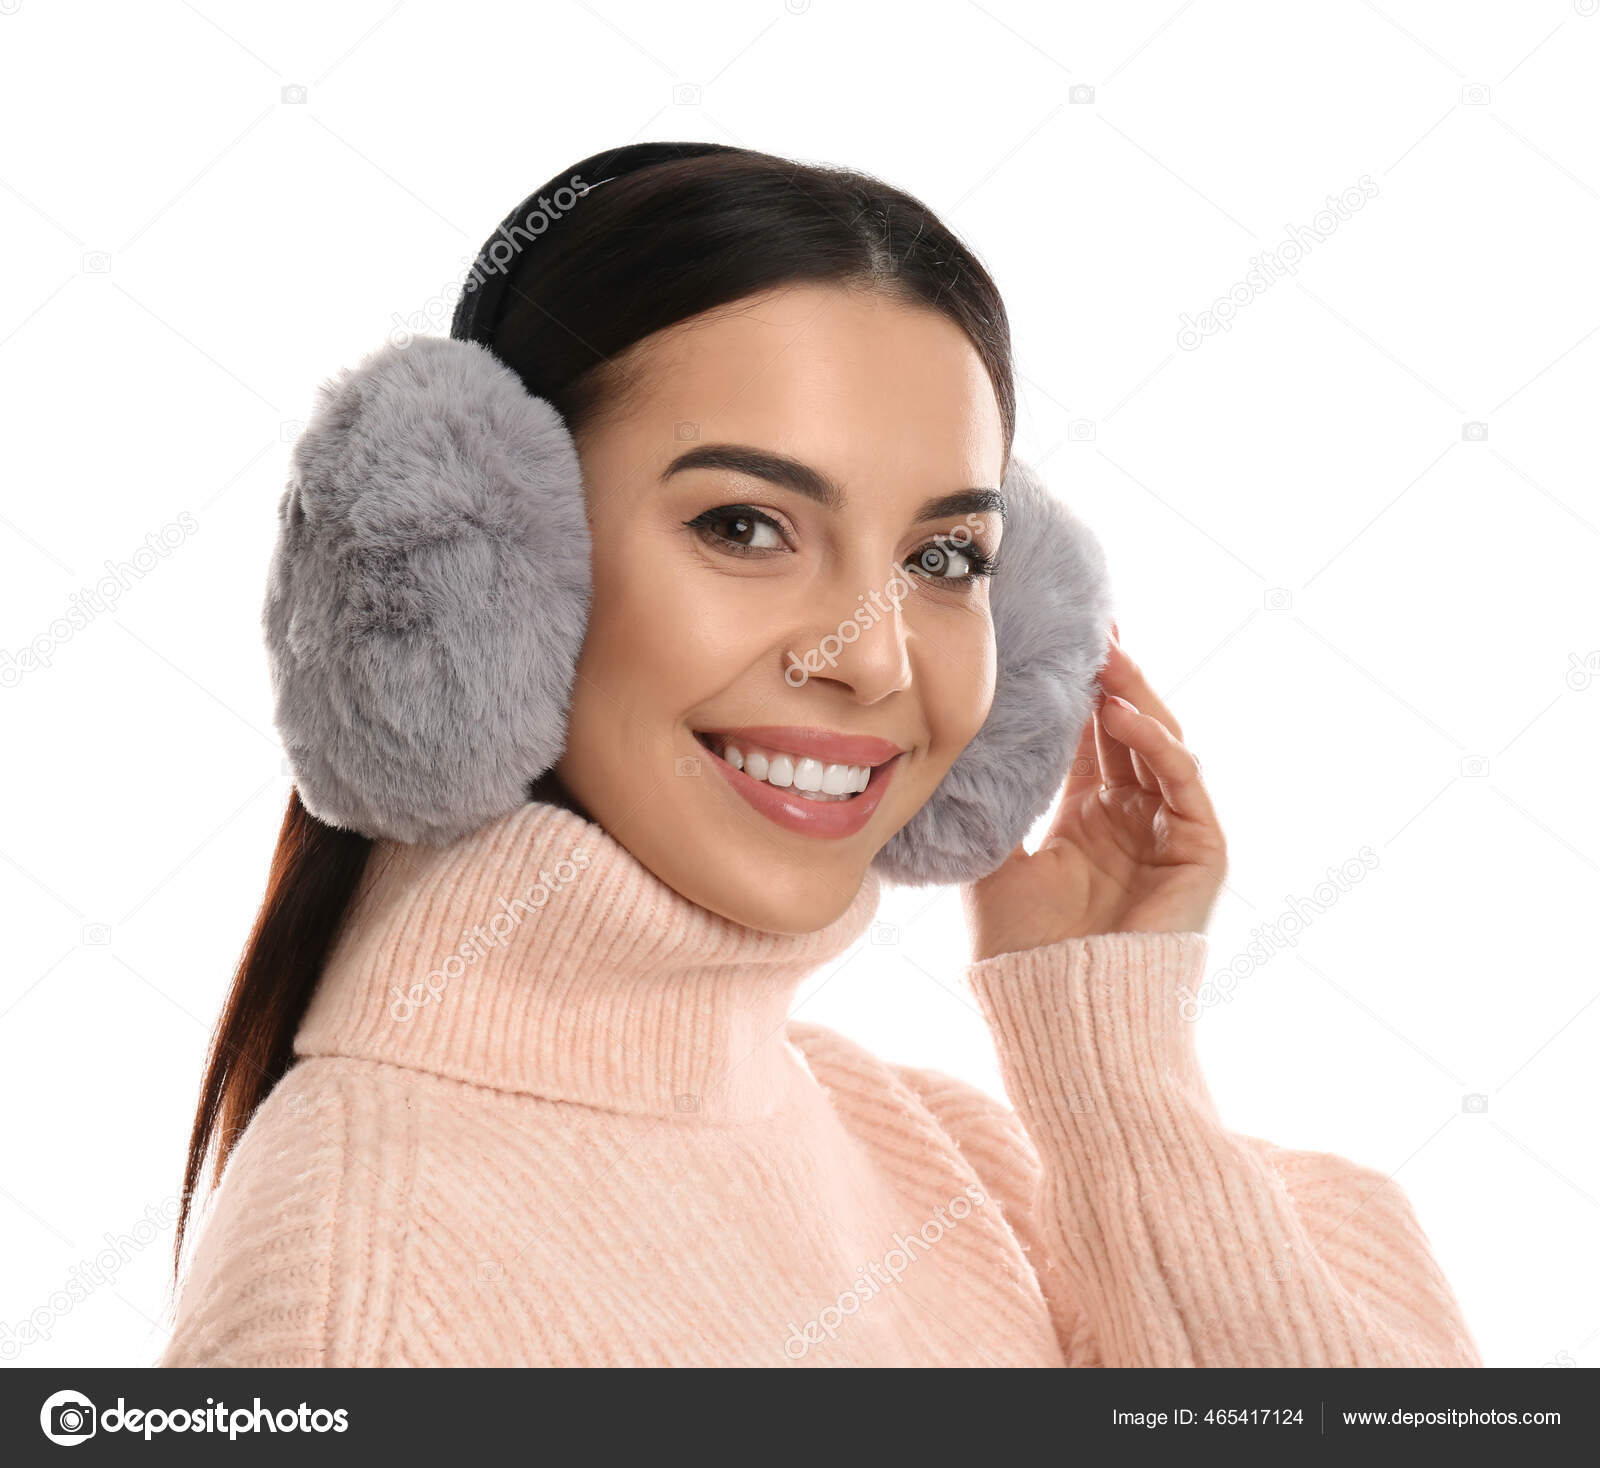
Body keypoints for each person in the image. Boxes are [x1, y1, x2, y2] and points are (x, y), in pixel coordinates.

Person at [160, 144, 1480, 1367]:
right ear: (476, 574)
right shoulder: (358, 1295)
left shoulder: (949, 1157)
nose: (876, 658)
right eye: (744, 526)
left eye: (944, 557)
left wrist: (1113, 1063)